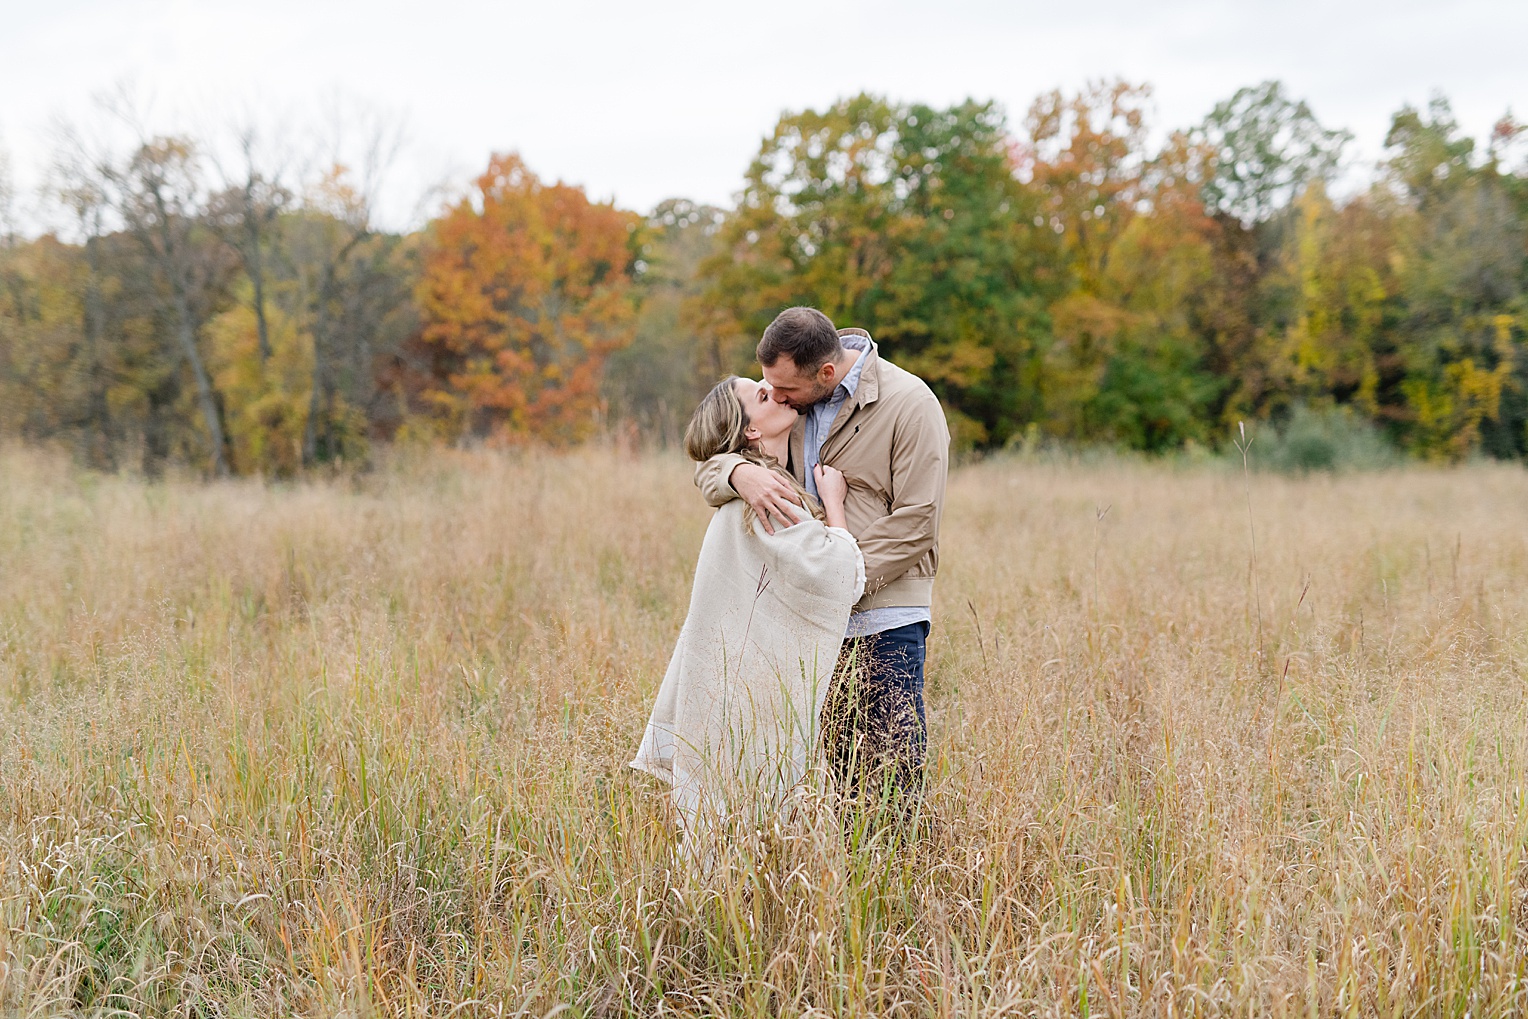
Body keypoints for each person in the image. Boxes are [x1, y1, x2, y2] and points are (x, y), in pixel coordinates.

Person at [694, 307, 950, 805]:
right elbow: (712, 449)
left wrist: (838, 579)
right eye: (769, 387)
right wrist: (737, 473)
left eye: (783, 389)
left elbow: (918, 521)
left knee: (893, 780)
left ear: (826, 373)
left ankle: (905, 859)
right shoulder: (792, 402)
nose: (776, 396)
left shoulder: (910, 403)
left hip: (884, 618)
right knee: (836, 782)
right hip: (808, 626)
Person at [629, 375, 865, 842]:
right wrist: (834, 505)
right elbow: (840, 578)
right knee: (751, 835)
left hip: (734, 694)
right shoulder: (765, 497)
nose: (774, 391)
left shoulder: (756, 483)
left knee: (728, 835)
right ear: (751, 430)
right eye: (761, 394)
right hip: (750, 701)